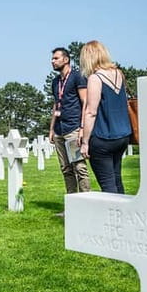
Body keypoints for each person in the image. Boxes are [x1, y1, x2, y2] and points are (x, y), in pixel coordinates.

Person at [79, 40, 132, 193]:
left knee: (108, 184)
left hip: (103, 138)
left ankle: (112, 215)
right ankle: (123, 214)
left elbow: (91, 111)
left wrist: (85, 142)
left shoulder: (95, 78)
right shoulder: (119, 73)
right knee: (117, 179)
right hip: (122, 136)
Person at [49, 47, 91, 198]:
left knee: (79, 167)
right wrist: (52, 129)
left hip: (73, 128)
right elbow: (56, 105)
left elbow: (85, 102)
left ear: (66, 60)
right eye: (52, 59)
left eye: (56, 58)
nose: (52, 61)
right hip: (60, 130)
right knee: (66, 169)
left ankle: (86, 201)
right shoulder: (55, 82)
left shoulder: (77, 76)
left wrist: (82, 128)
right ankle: (72, 204)